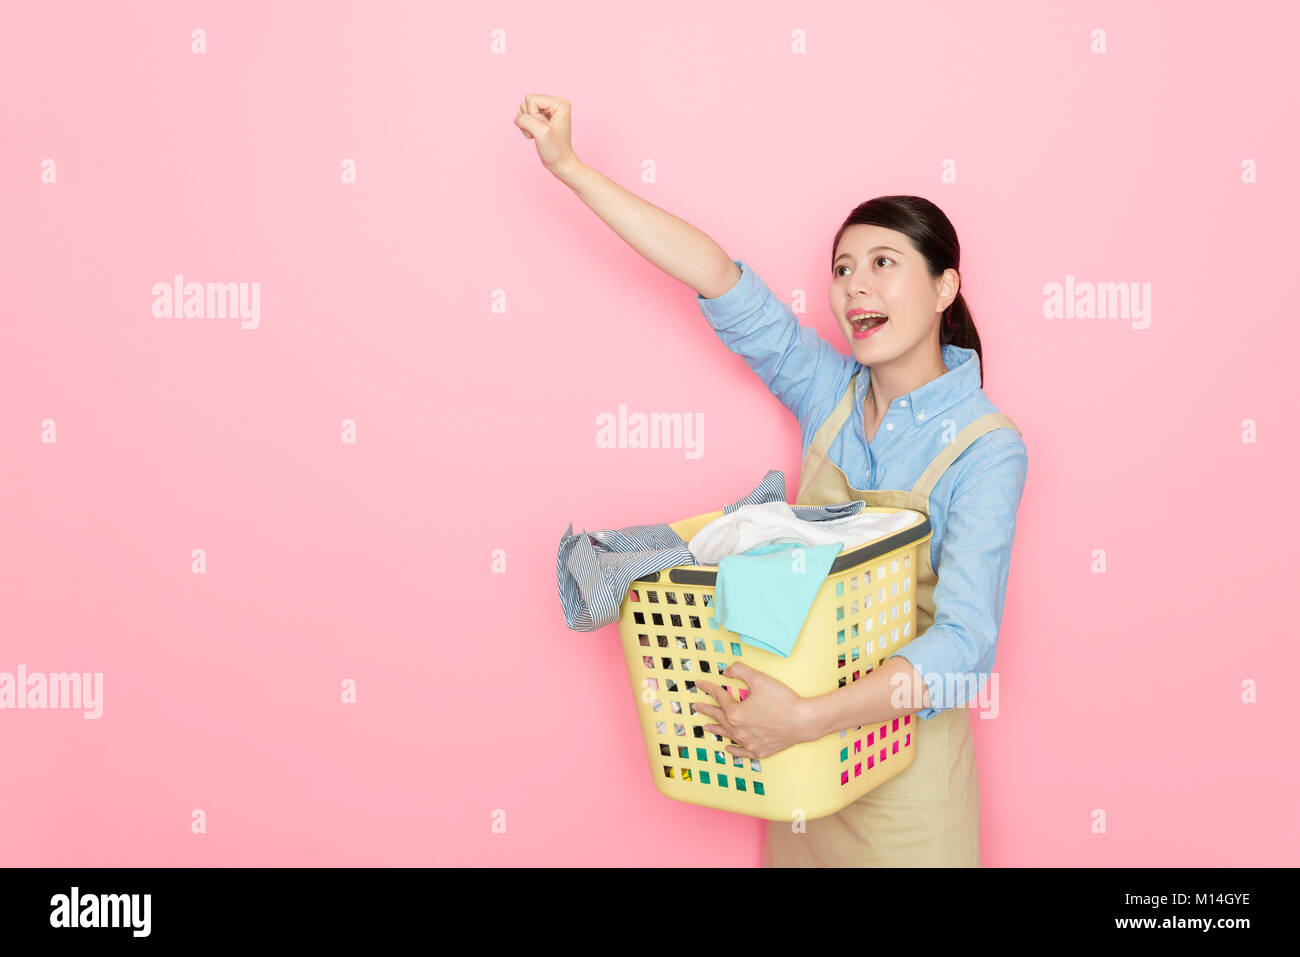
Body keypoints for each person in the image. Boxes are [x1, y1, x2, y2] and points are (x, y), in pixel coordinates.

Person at [516, 94, 1028, 867]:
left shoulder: (989, 447)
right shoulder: (827, 393)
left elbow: (964, 650)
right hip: (797, 781)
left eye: (883, 264)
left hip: (904, 787)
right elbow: (718, 276)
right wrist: (570, 169)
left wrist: (806, 718)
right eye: (843, 269)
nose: (855, 286)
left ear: (946, 287)